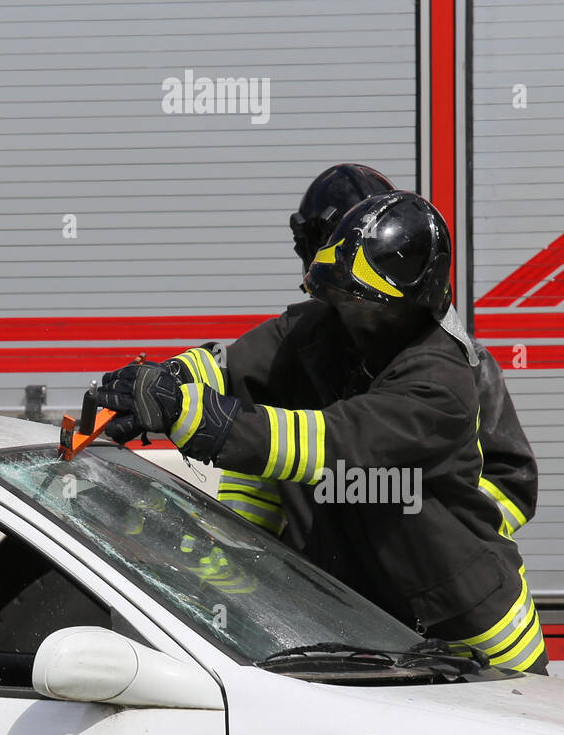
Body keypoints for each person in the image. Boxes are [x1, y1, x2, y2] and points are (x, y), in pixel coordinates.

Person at [96, 190, 547, 674]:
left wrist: (208, 423)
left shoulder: (442, 380)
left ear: (411, 307)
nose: (347, 311)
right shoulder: (315, 330)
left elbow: (335, 441)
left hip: (471, 632)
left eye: (363, 301)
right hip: (359, 620)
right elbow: (228, 364)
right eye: (341, 295)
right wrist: (165, 382)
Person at [217, 163, 536, 542]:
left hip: (409, 585)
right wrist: (243, 555)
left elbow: (510, 481)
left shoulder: (458, 365)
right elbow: (262, 471)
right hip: (316, 585)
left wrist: (441, 542)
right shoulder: (301, 349)